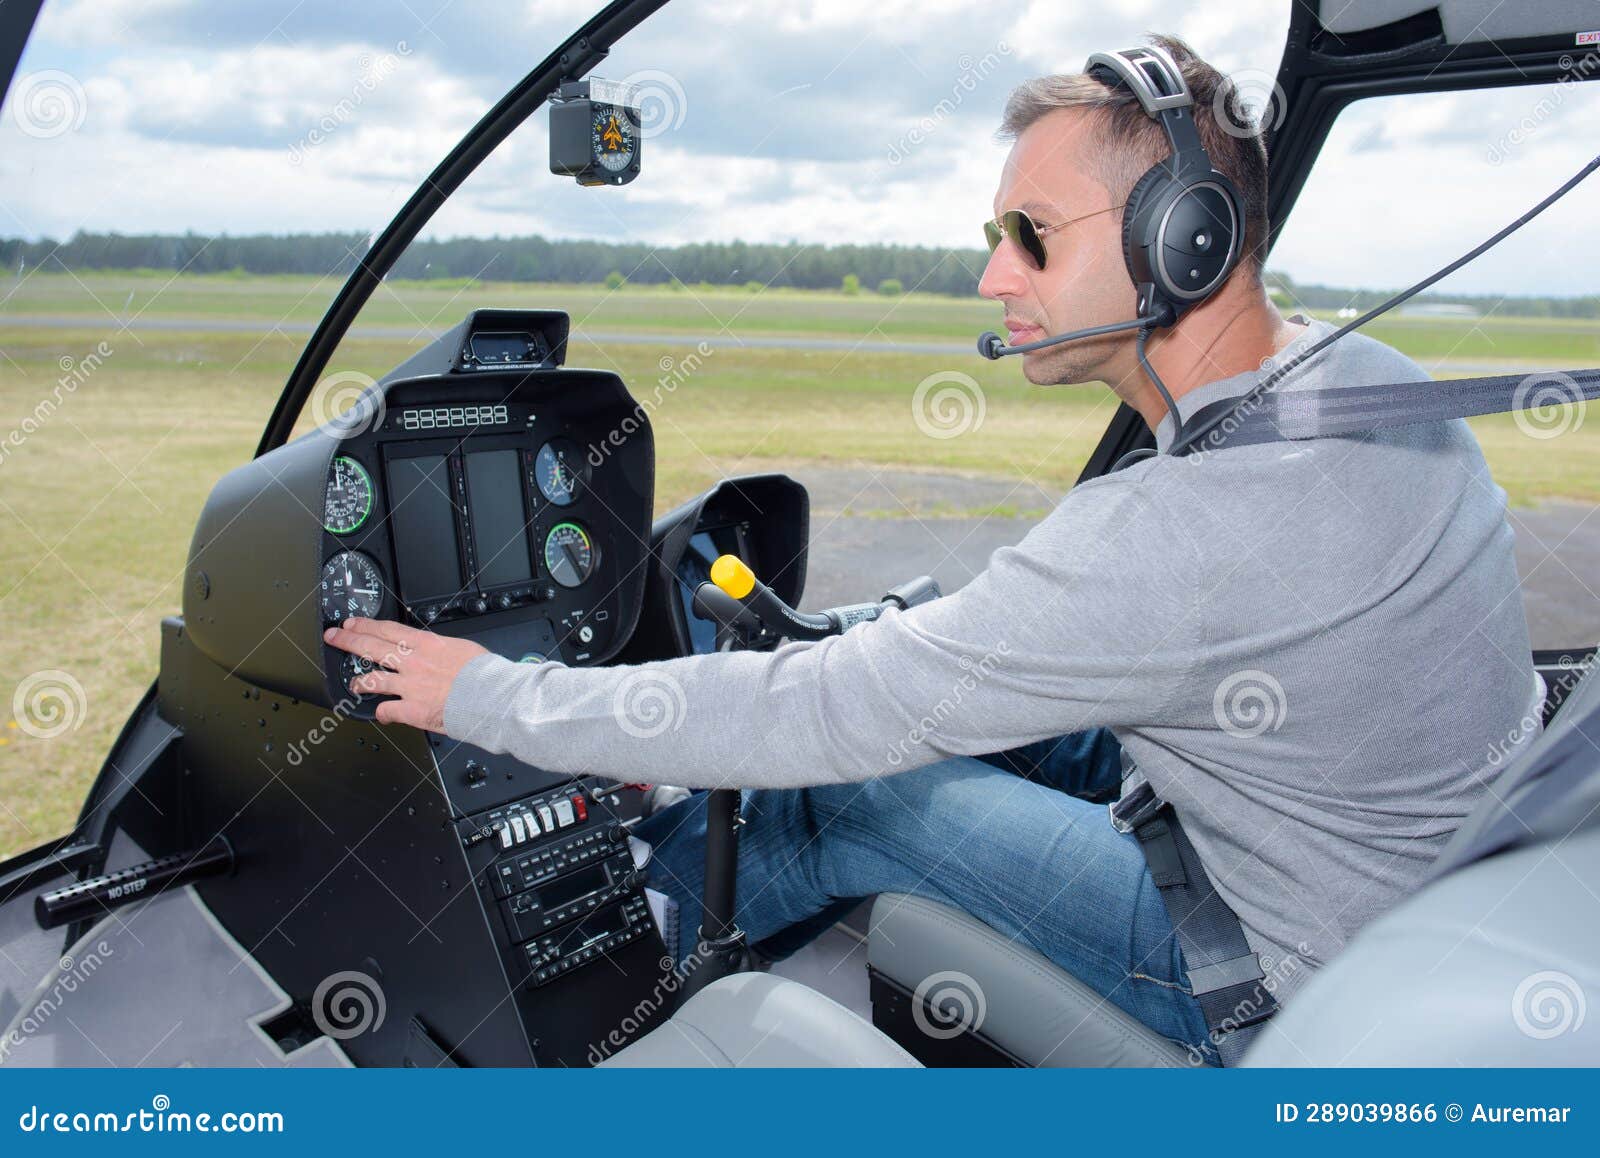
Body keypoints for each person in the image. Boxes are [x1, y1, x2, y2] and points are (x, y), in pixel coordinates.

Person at [323, 37, 1542, 1063]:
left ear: (1184, 240)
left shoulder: (1182, 534)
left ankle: (634, 946)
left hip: (1298, 990)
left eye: (1030, 233)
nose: (990, 272)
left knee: (865, 787)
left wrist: (492, 695)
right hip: (1421, 908)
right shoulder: (1363, 379)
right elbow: (1085, 632)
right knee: (1011, 711)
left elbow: (839, 714)